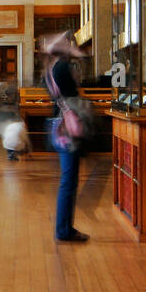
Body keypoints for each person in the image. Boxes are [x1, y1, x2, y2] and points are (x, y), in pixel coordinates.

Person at [43, 32, 90, 242]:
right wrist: (76, 54)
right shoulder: (61, 67)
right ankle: (64, 230)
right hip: (67, 129)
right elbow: (77, 89)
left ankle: (65, 228)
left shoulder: (50, 69)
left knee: (68, 180)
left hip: (60, 126)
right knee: (69, 181)